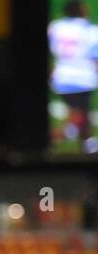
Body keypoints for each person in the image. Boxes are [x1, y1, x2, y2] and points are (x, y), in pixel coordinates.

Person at [48, 1, 98, 153]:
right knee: (80, 115)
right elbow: (95, 57)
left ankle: (87, 145)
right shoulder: (89, 30)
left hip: (62, 76)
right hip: (83, 77)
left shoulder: (55, 27)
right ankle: (58, 137)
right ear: (81, 10)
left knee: (81, 114)